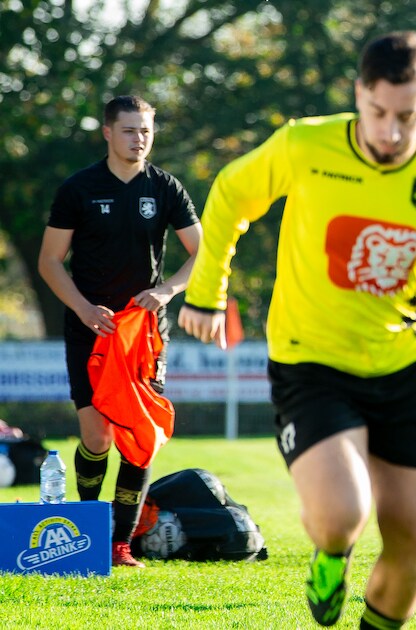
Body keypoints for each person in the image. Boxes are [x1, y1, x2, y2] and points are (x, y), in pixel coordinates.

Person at [177, 31, 416, 629]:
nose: (389, 132)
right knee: (343, 516)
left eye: (407, 117)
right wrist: (207, 292)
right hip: (313, 361)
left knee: (413, 536)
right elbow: (231, 193)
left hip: (408, 364)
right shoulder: (306, 144)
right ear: (359, 93)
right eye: (378, 112)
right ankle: (330, 559)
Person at [37, 94, 202, 569]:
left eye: (146, 131)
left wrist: (167, 291)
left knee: (138, 434)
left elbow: (203, 254)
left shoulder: (166, 188)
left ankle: (119, 543)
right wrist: (85, 309)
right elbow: (50, 261)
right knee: (97, 437)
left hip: (144, 334)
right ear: (108, 132)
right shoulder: (79, 188)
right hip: (90, 327)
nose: (139, 139)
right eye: (130, 130)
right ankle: (88, 528)